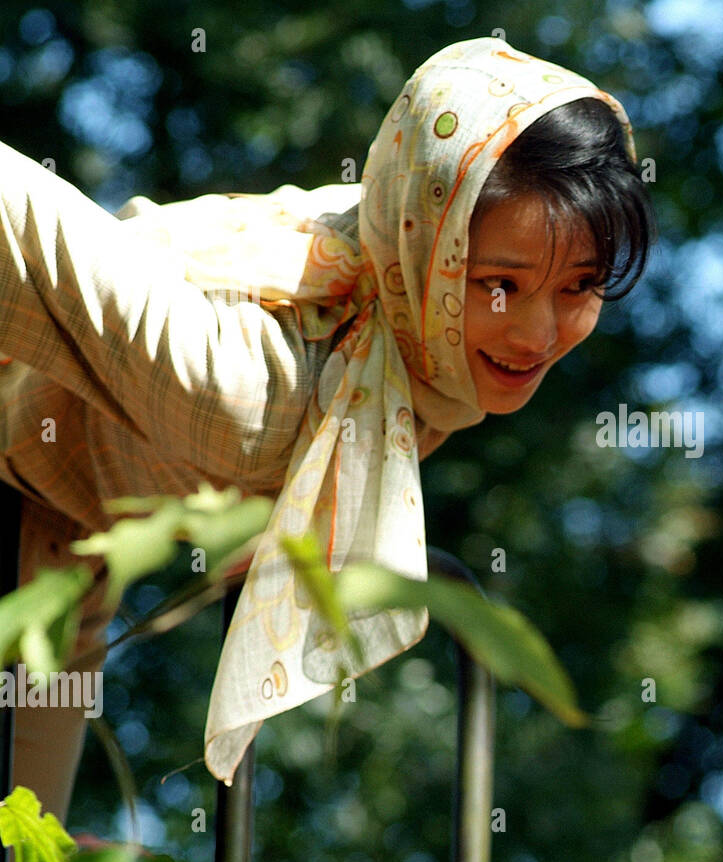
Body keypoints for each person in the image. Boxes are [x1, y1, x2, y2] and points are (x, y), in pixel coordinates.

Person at [0, 36, 653, 820]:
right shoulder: (249, 388)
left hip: (61, 554)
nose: (538, 334)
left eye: (580, 286)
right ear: (428, 248)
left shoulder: (391, 289)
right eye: (500, 285)